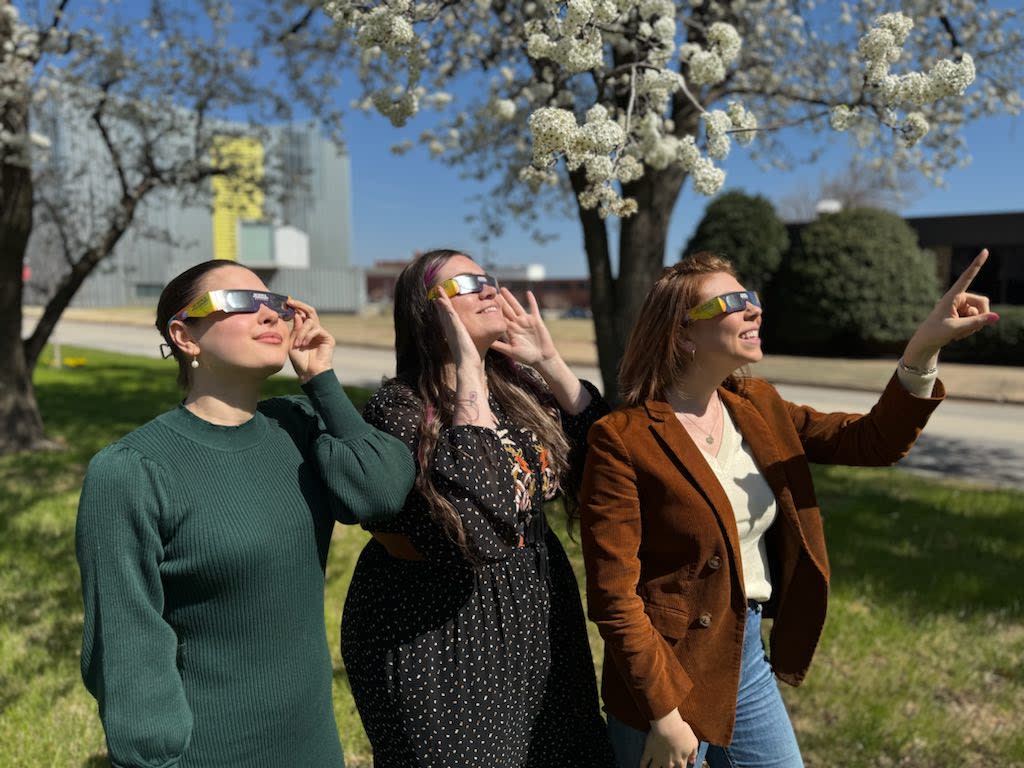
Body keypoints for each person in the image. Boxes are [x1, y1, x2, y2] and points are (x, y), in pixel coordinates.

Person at [579, 249, 999, 768]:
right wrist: (664, 714)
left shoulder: (758, 406)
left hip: (745, 655)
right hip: (662, 672)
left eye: (750, 297)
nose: (754, 309)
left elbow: (871, 441)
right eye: (732, 302)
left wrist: (923, 350)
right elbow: (613, 596)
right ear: (684, 334)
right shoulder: (623, 439)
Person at [76, 259, 415, 767]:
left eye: (276, 303)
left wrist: (321, 380)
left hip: (313, 743)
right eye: (239, 301)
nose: (269, 314)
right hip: (208, 752)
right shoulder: (131, 471)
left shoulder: (297, 427)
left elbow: (382, 492)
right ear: (183, 335)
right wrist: (154, 758)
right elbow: (126, 644)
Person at [341, 249, 616, 767]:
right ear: (427, 313)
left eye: (487, 278)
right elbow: (476, 520)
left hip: (534, 606)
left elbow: (608, 459)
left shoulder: (521, 391)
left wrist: (549, 363)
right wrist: (467, 375)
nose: (489, 289)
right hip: (439, 623)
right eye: (466, 285)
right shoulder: (399, 408)